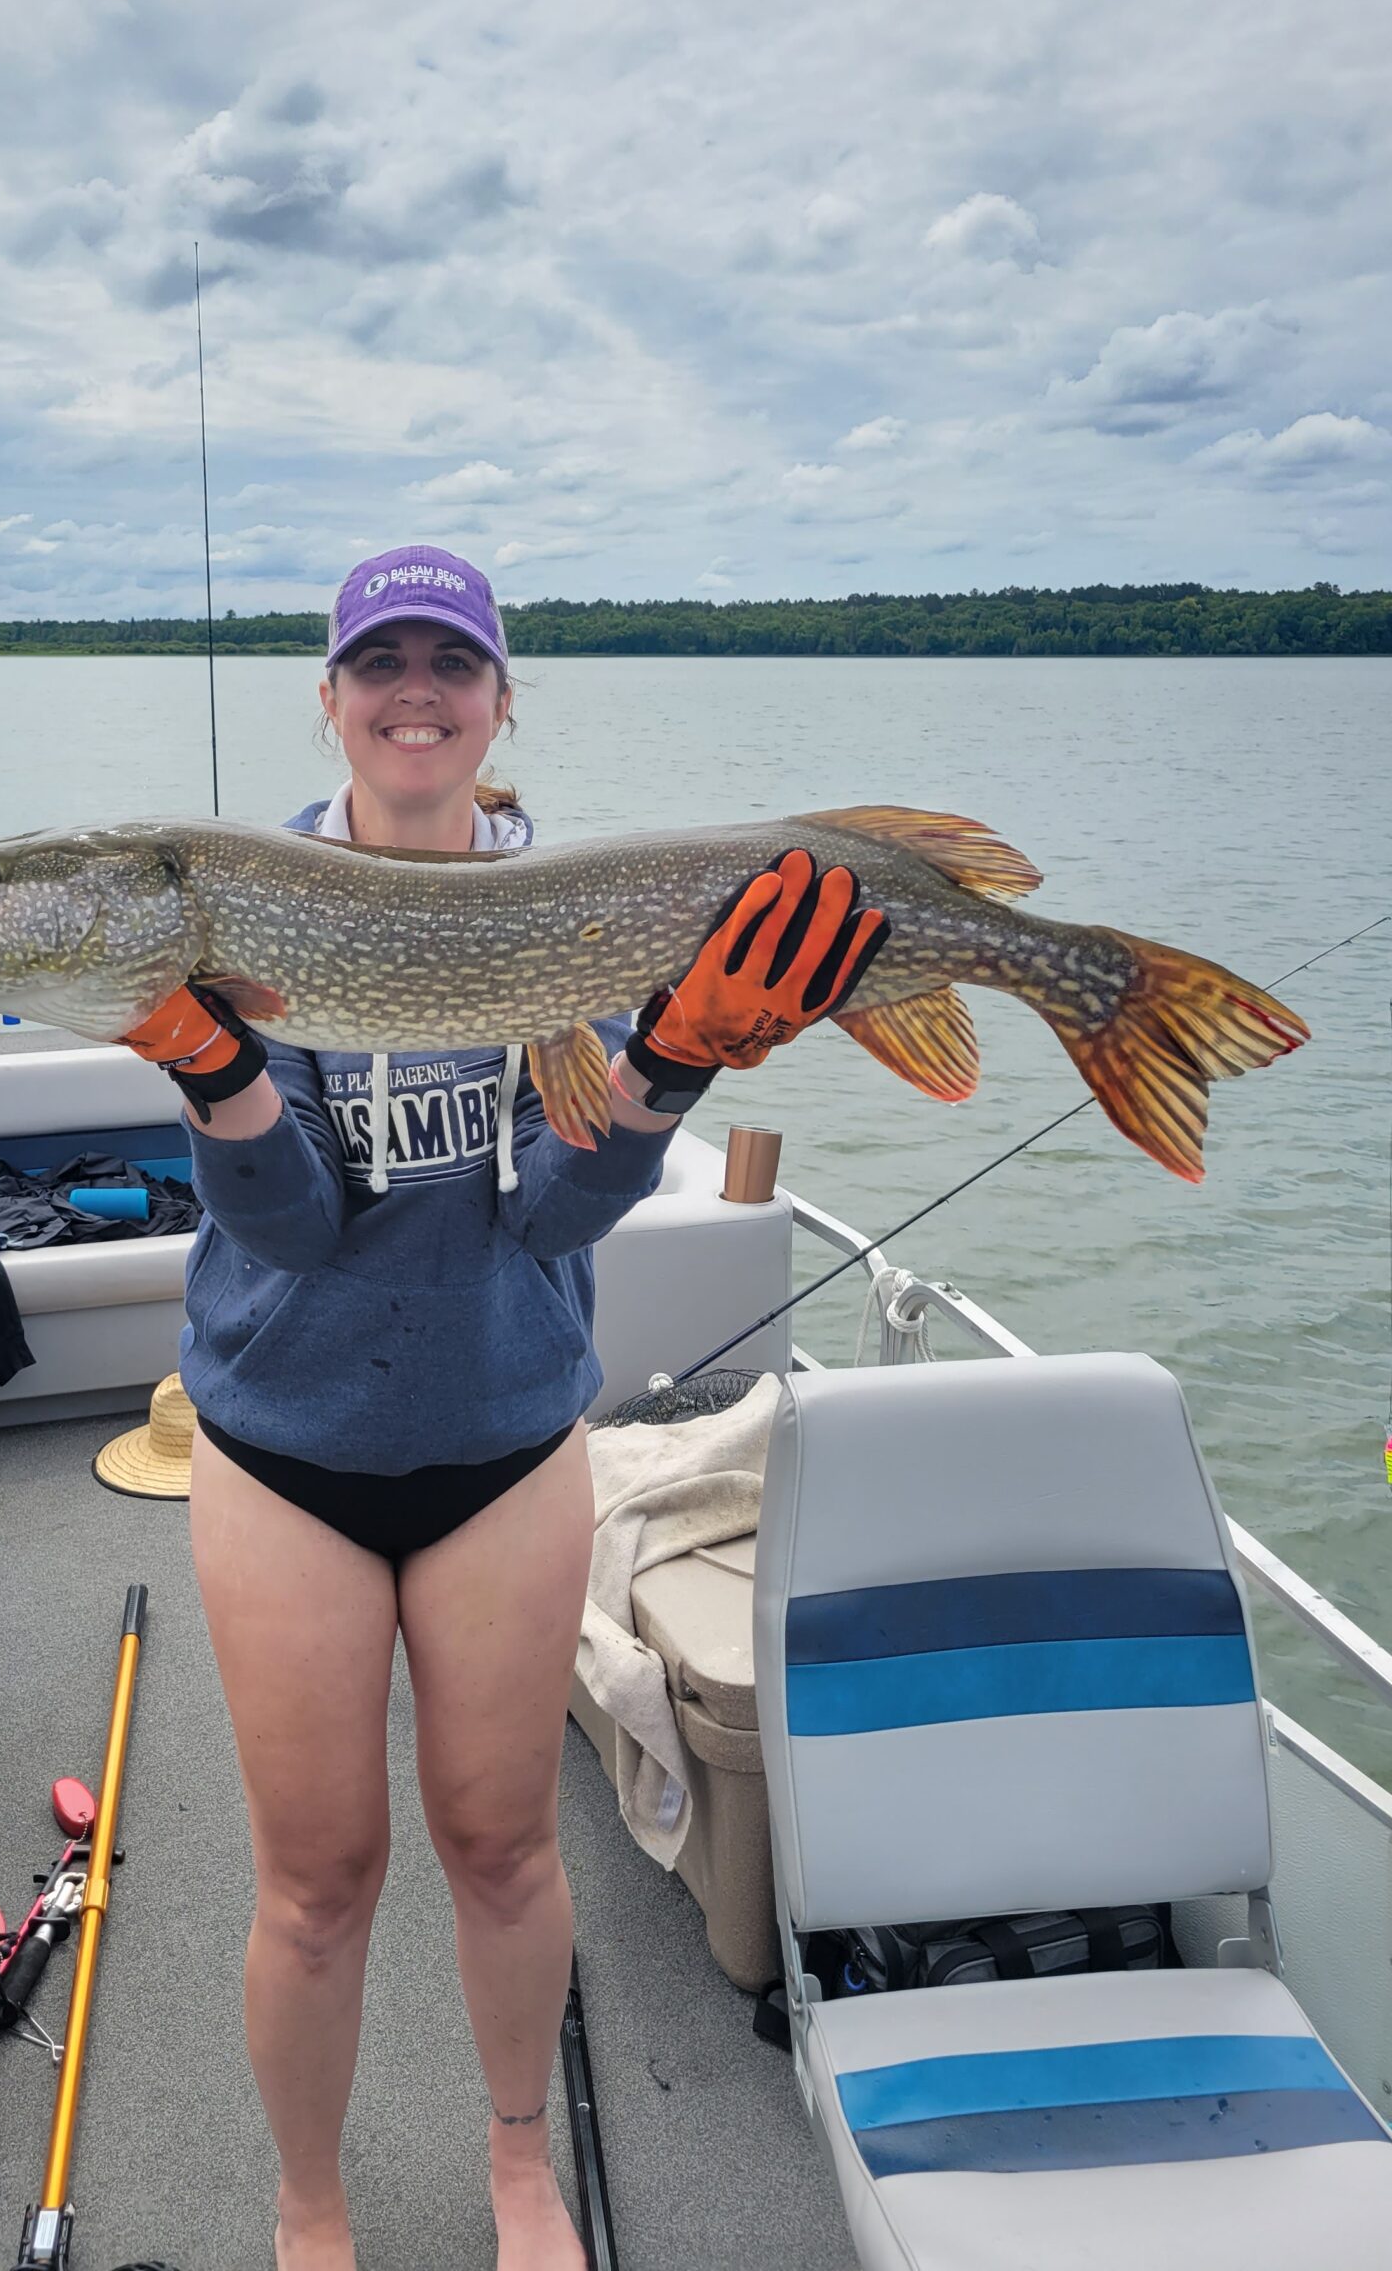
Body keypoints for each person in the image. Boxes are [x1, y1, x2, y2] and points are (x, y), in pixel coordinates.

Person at [123, 548, 887, 2271]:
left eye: (449, 662)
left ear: (499, 700)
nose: (414, 689)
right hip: (281, 1455)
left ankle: (520, 2165)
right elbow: (299, 1229)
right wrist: (222, 1069)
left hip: (508, 1447)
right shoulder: (252, 912)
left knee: (500, 1843)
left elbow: (550, 1211)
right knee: (315, 1884)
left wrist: (673, 1060)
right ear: (326, 699)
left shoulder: (587, 910)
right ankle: (309, 2205)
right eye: (377, 659)